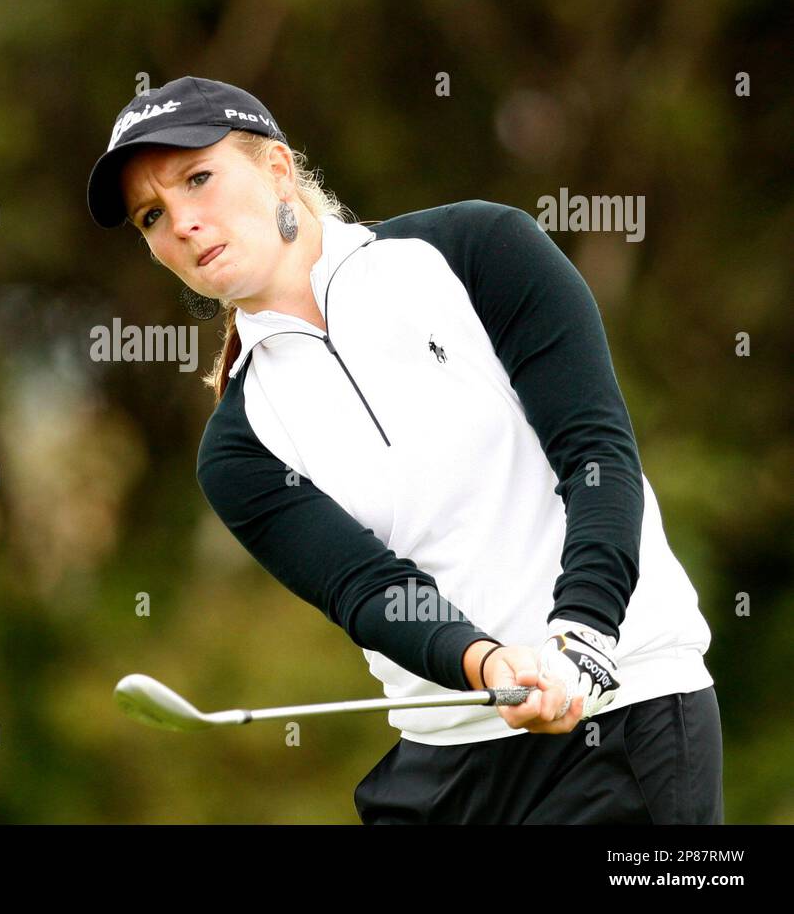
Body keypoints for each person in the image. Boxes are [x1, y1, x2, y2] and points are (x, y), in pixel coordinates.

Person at [86, 76, 724, 824]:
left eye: (199, 179)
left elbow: (594, 455)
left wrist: (583, 631)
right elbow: (372, 589)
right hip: (444, 765)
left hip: (626, 717)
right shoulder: (237, 447)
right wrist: (488, 661)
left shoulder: (479, 250)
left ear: (278, 170)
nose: (184, 223)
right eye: (152, 215)